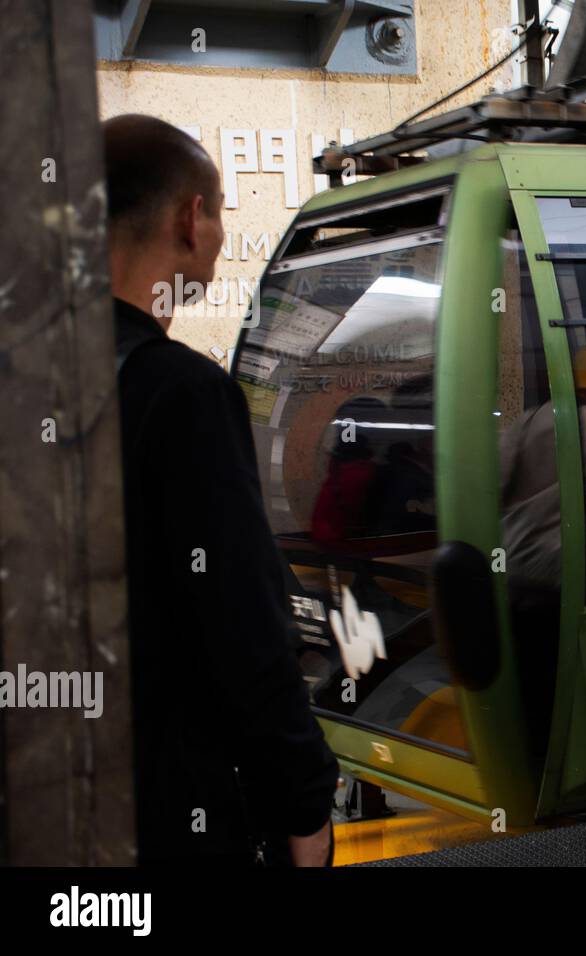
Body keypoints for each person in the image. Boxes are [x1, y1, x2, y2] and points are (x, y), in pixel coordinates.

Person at [105, 114, 338, 865]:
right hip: (170, 806)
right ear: (191, 219)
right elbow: (243, 631)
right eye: (223, 211)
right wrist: (303, 806)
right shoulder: (182, 394)